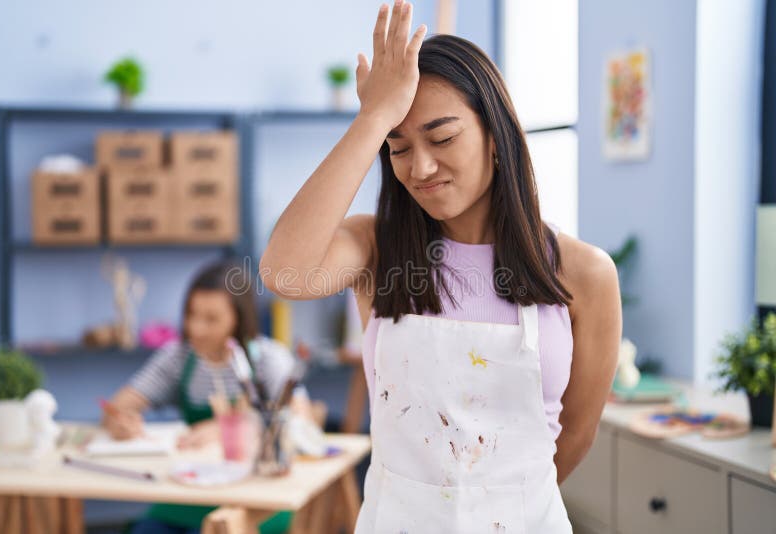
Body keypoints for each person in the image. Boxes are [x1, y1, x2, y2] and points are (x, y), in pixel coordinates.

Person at [259, 1, 622, 532]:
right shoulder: (378, 250)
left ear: (496, 137)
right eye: (398, 148)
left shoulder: (583, 273)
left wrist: (497, 508)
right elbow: (283, 272)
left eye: (443, 137)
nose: (420, 168)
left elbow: (576, 435)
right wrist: (372, 117)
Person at [102, 261, 307, 534]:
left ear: (238, 318)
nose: (196, 328)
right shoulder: (178, 357)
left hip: (256, 499)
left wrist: (232, 428)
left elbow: (302, 419)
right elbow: (117, 407)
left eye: (211, 319)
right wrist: (119, 420)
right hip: (187, 494)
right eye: (191, 314)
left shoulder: (267, 359)